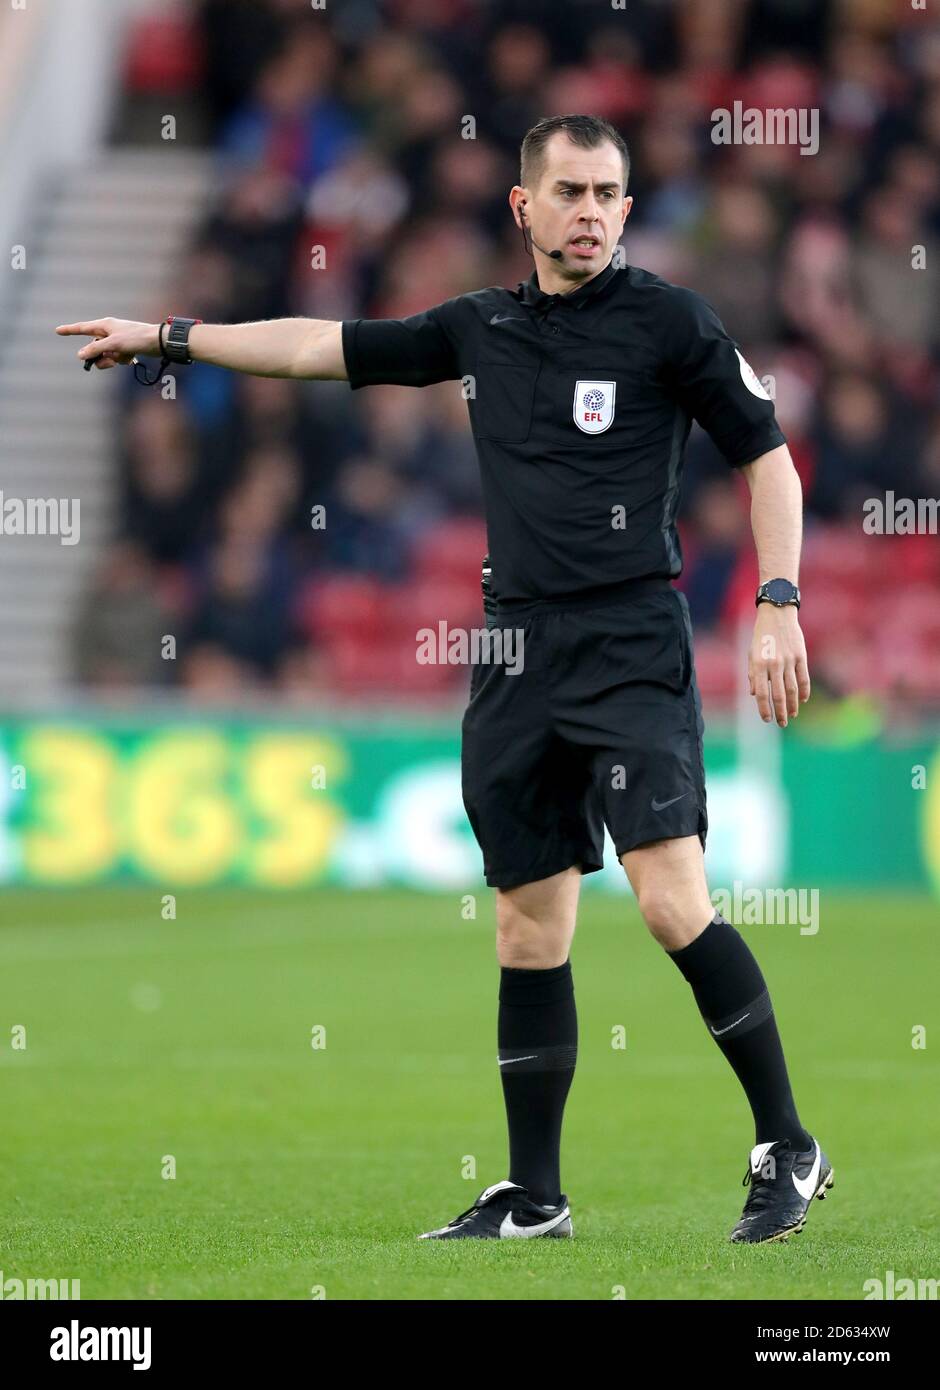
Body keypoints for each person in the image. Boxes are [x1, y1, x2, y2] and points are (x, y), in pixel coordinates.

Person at [55, 113, 833, 1245]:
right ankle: (535, 1194)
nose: (589, 211)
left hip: (628, 643)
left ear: (624, 206)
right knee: (528, 927)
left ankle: (787, 1143)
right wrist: (170, 338)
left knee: (670, 900)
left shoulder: (671, 322)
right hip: (515, 649)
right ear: (523, 207)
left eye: (608, 193)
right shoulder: (478, 328)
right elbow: (319, 346)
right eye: (567, 191)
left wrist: (777, 598)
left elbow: (768, 457)